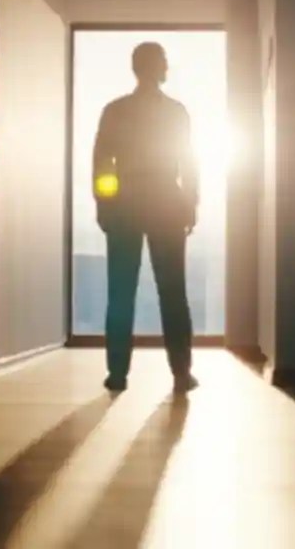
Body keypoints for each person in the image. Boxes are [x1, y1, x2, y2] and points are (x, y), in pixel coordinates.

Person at [93, 42, 200, 394]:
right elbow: (187, 162)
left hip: (125, 204)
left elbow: (103, 164)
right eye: (164, 62)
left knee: (121, 291)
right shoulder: (176, 112)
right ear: (157, 67)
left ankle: (117, 373)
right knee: (173, 291)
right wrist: (190, 203)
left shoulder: (115, 110)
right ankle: (181, 372)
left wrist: (105, 204)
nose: (167, 66)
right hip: (166, 202)